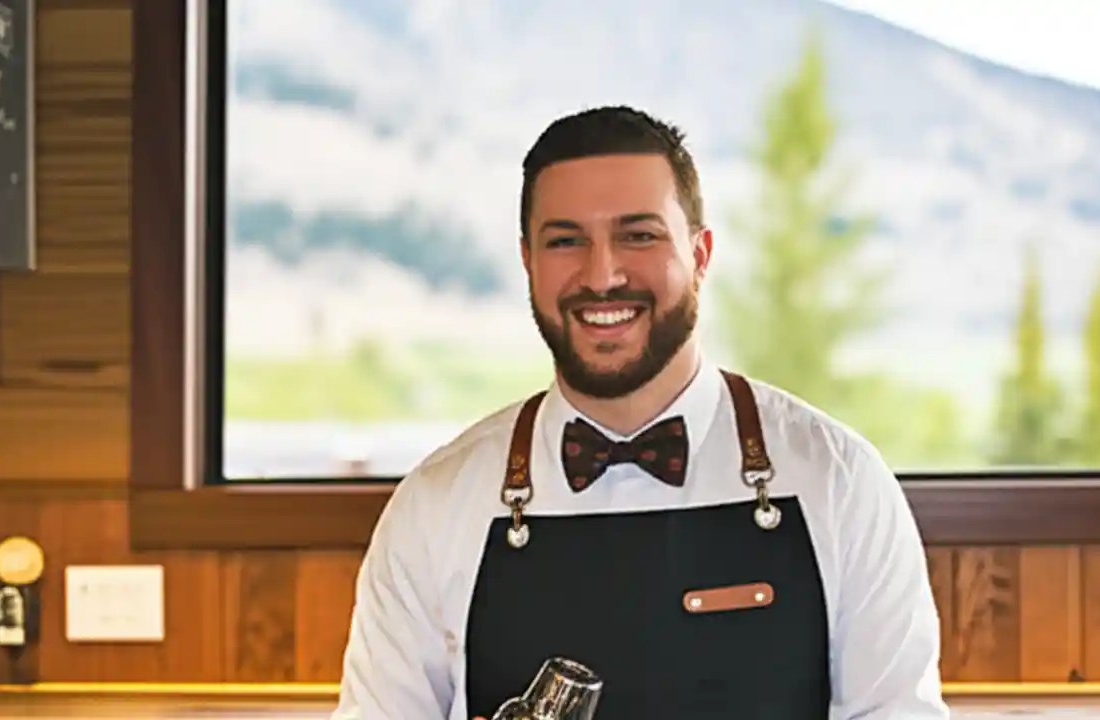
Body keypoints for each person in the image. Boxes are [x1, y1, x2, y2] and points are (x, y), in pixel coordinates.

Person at [332, 106, 950, 719]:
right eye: (566, 240)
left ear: (701, 254)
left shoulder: (839, 480)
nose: (602, 276)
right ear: (528, 261)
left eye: (639, 235)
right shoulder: (436, 505)